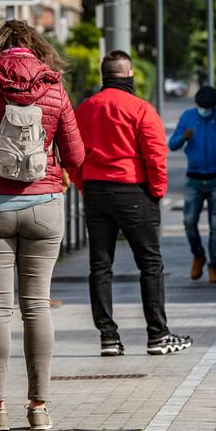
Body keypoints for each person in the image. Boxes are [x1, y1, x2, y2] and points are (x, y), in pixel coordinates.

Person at [0, 20, 85, 431]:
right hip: (44, 206)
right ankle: (39, 408)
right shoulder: (54, 88)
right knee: (37, 305)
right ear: (38, 49)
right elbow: (75, 156)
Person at [70, 50, 191, 358]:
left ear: (104, 75)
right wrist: (156, 192)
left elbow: (71, 153)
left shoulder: (84, 110)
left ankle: (108, 337)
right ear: (129, 74)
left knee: (100, 266)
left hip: (96, 191)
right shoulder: (141, 109)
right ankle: (158, 335)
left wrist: (83, 184)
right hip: (132, 191)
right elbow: (155, 154)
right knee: (150, 264)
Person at [168, 85, 216, 284]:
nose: (204, 111)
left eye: (208, 107)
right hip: (194, 178)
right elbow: (172, 144)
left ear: (214, 105)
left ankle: (214, 266)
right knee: (189, 221)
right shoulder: (188, 116)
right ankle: (198, 254)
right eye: (202, 107)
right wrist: (183, 138)